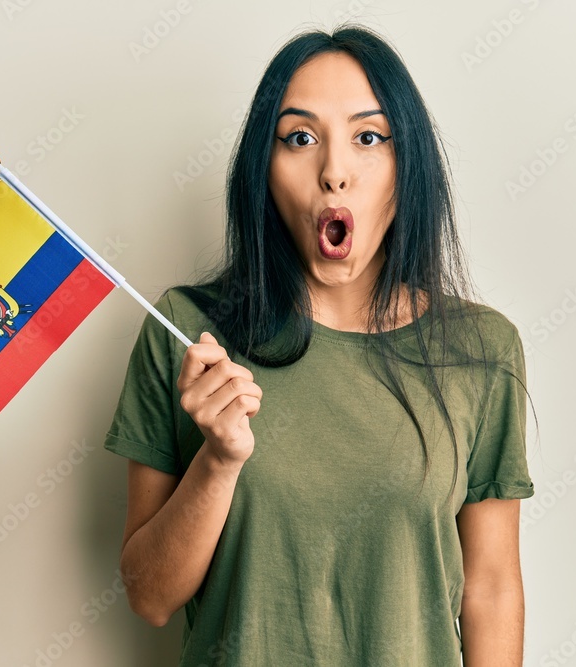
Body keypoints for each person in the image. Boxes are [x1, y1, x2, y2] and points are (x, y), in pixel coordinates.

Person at [104, 23, 536, 666]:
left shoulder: (480, 350)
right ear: (264, 169)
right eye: (300, 138)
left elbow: (493, 589)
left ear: (406, 164)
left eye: (368, 137)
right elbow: (151, 597)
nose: (335, 171)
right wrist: (217, 463)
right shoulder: (188, 336)